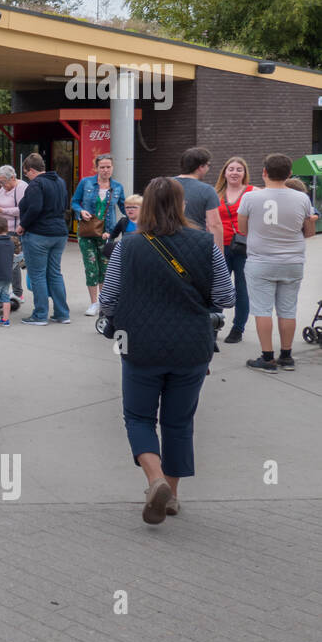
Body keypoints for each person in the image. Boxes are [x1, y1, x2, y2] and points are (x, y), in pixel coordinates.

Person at [98, 177, 234, 524]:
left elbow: (108, 298)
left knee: (139, 417)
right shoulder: (206, 244)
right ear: (182, 205)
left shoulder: (128, 246)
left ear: (145, 208)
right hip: (192, 346)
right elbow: (225, 298)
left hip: (139, 344)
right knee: (179, 422)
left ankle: (155, 479)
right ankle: (171, 495)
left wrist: (125, 317)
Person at [239, 153, 319, 372]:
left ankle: (267, 358)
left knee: (263, 310)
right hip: (292, 260)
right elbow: (309, 232)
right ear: (290, 174)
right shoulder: (302, 198)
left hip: (261, 261)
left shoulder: (250, 198)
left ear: (264, 172)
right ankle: (286, 356)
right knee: (288, 309)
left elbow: (243, 229)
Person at [17, 152, 71, 324]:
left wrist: (22, 225)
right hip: (60, 233)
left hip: (39, 234)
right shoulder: (60, 182)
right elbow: (64, 205)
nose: (26, 177)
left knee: (38, 275)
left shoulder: (36, 184)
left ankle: (40, 315)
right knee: (55, 273)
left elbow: (34, 208)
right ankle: (62, 313)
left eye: (26, 173)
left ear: (32, 170)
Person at [70, 153, 126, 317]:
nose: (105, 170)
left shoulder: (117, 187)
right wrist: (81, 212)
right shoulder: (86, 182)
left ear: (112, 168)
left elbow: (124, 207)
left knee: (106, 269)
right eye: (102, 167)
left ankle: (103, 301)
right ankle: (94, 302)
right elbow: (74, 201)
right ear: (97, 168)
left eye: (108, 167)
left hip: (107, 233)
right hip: (87, 232)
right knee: (91, 268)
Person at [213, 156, 254, 344]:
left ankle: (238, 328)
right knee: (218, 288)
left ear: (245, 173)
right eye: (231, 169)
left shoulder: (253, 192)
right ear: (225, 172)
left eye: (239, 169)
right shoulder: (216, 193)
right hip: (221, 247)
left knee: (241, 288)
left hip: (244, 247)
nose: (235, 172)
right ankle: (214, 324)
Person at [0, 165, 27, 300]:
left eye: (3, 182)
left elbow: (22, 209)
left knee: (13, 261)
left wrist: (2, 211)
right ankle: (10, 290)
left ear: (13, 178)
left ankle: (17, 292)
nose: (1, 184)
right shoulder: (3, 188)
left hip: (14, 231)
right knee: (6, 261)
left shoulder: (21, 188)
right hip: (2, 229)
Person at [174, 146, 224, 243]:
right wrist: (220, 255)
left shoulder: (163, 185)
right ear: (201, 167)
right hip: (195, 243)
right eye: (208, 165)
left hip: (166, 243)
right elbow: (214, 225)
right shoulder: (207, 190)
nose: (208, 169)